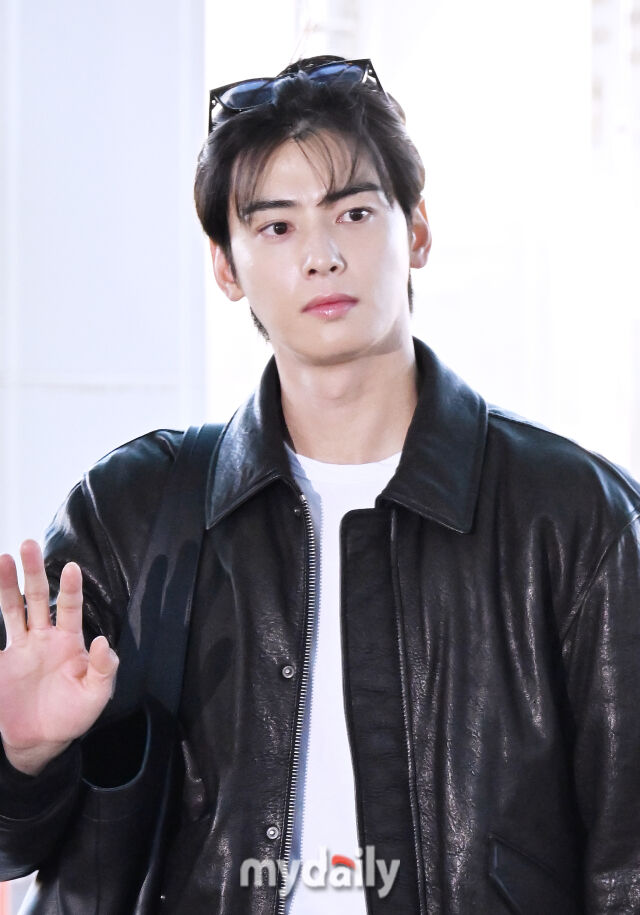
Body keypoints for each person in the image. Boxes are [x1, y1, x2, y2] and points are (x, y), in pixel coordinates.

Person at [1, 54, 639, 914]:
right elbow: (18, 848)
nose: (323, 256)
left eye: (355, 212)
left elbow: (628, 865)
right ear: (226, 267)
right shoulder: (132, 512)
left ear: (417, 230)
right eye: (276, 226)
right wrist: (24, 753)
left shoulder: (574, 517)